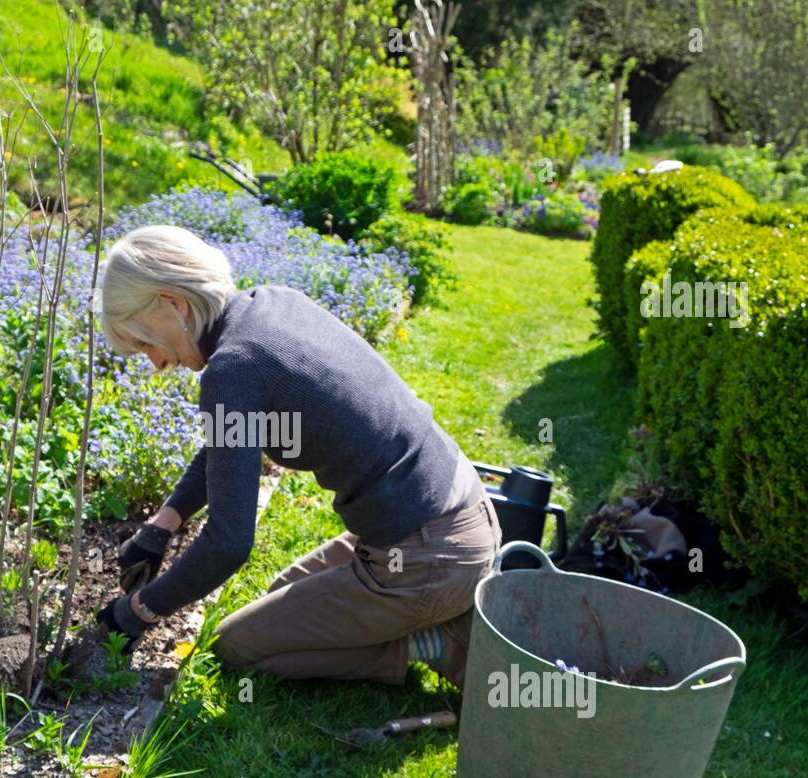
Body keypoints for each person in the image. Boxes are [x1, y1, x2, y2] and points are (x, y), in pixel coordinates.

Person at [92, 224, 503, 689]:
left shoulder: (232, 370)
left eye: (145, 342)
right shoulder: (270, 305)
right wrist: (162, 525)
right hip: (455, 514)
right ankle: (436, 606)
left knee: (237, 646)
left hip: (428, 553)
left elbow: (229, 541)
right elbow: (227, 448)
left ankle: (439, 643)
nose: (156, 362)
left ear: (173, 303)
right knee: (278, 597)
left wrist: (138, 610)